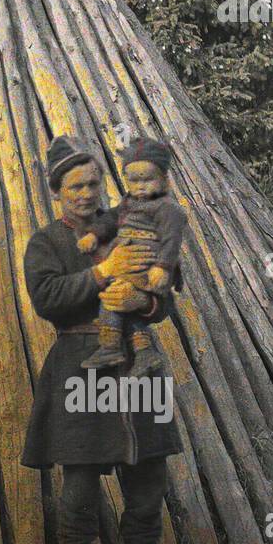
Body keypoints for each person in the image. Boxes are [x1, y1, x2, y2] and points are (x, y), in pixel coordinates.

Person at [21, 135, 184, 544]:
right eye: (75, 187)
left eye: (93, 183)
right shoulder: (47, 241)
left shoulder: (135, 222)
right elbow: (47, 299)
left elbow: (165, 290)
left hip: (138, 361)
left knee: (148, 473)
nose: (87, 194)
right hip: (80, 362)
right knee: (80, 479)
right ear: (57, 192)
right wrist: (102, 273)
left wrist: (146, 302)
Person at [78, 137, 188, 375]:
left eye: (147, 180)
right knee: (122, 303)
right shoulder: (128, 203)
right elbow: (109, 218)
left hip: (147, 263)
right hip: (129, 265)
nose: (139, 187)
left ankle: (110, 348)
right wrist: (94, 235)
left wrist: (162, 266)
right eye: (133, 180)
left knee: (112, 300)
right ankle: (144, 352)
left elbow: (171, 239)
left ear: (164, 180)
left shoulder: (168, 208)